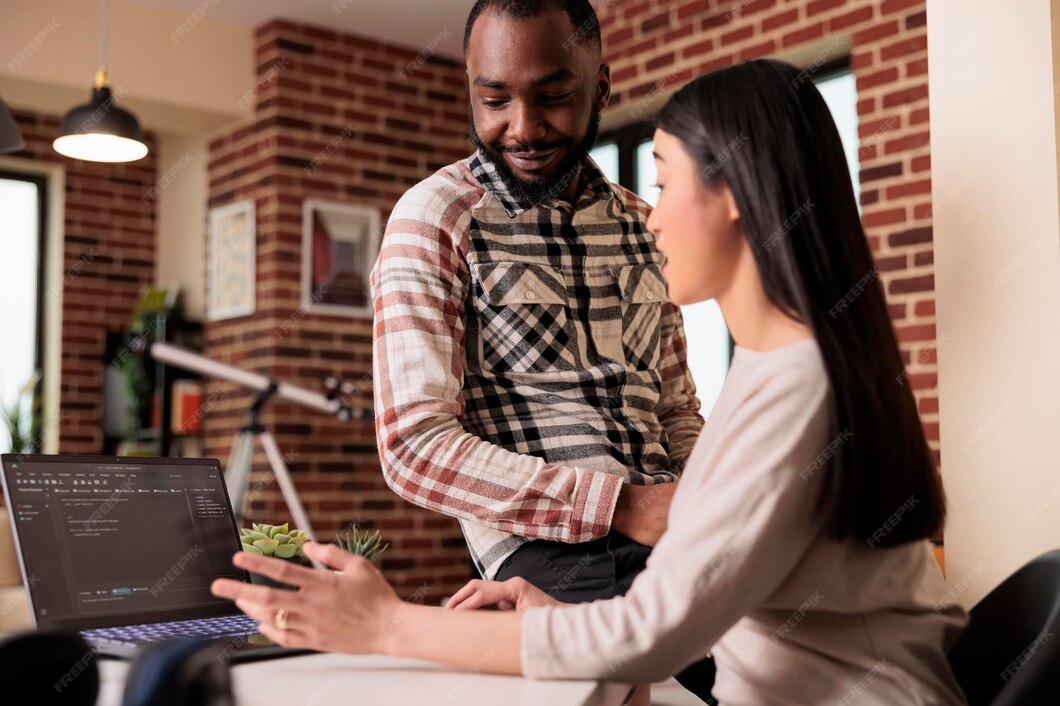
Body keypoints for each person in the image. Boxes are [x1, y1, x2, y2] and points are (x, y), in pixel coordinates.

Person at [213, 59, 969, 705]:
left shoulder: (799, 387)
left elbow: (647, 635)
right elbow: (700, 597)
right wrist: (550, 610)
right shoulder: (781, 370)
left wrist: (385, 624)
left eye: (666, 181)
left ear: (734, 192)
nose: (652, 218)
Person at [370, 0, 716, 699]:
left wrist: (707, 502)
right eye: (493, 99)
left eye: (554, 96)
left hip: (678, 528)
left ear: (602, 87)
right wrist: (623, 506)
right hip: (553, 552)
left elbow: (677, 409)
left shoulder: (646, 225)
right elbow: (412, 445)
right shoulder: (434, 220)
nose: (522, 128)